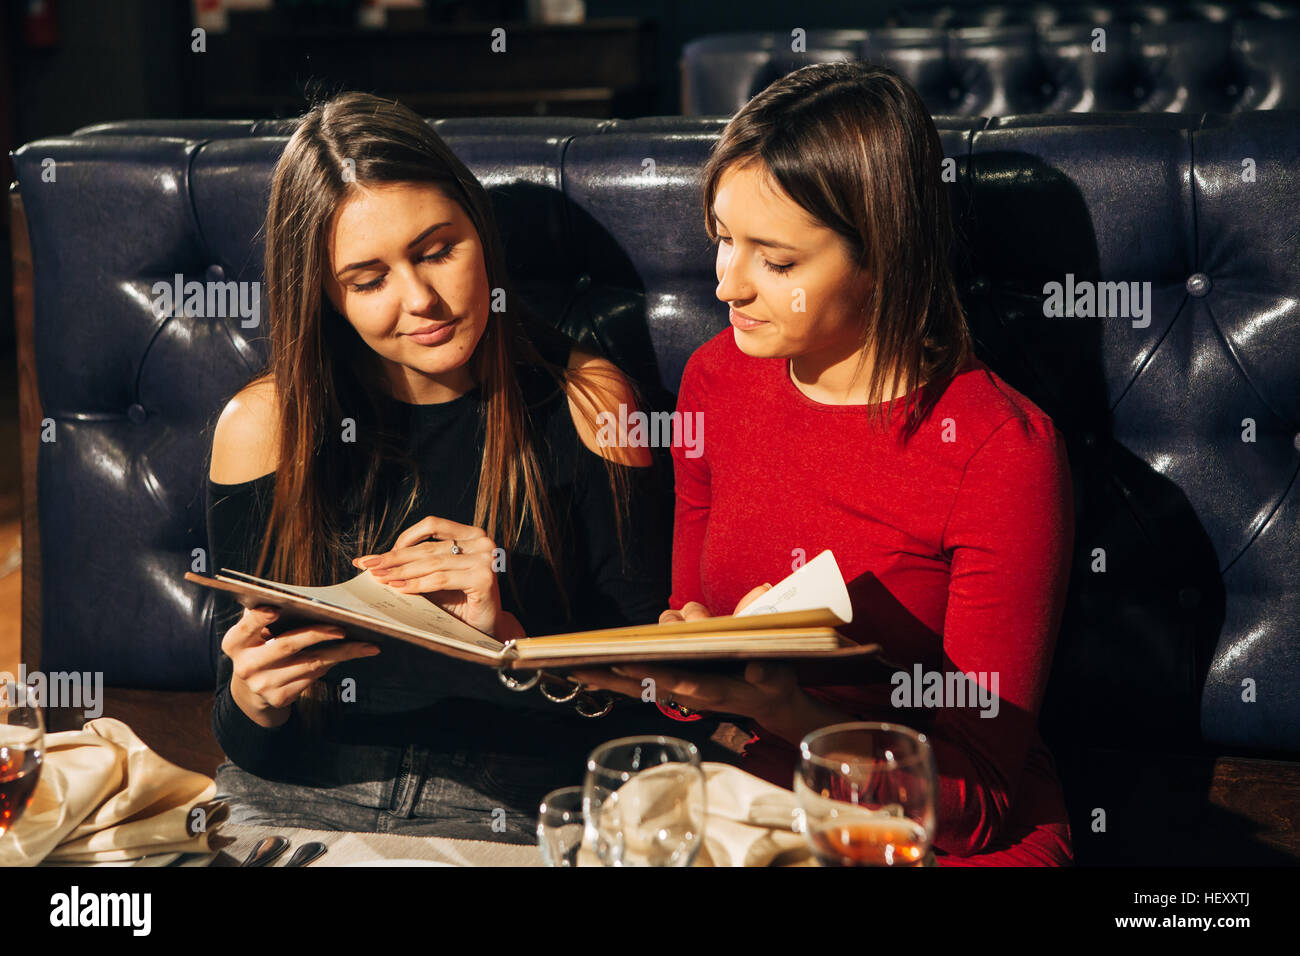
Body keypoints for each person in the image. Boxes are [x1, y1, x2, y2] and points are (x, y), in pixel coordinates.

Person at [574, 63, 1076, 865]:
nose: (726, 286)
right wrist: (674, 675)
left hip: (936, 835)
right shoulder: (717, 378)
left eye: (776, 263)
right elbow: (689, 643)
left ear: (883, 258)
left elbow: (978, 803)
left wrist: (792, 713)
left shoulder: (1000, 449)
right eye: (722, 240)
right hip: (762, 804)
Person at [206, 91, 733, 842]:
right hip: (299, 799)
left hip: (511, 811)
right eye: (368, 280)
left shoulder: (591, 405)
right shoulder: (264, 426)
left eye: (436, 252)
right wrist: (252, 701)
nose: (421, 300)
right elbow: (246, 740)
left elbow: (645, 715)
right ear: (326, 296)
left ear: (479, 231)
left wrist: (510, 643)